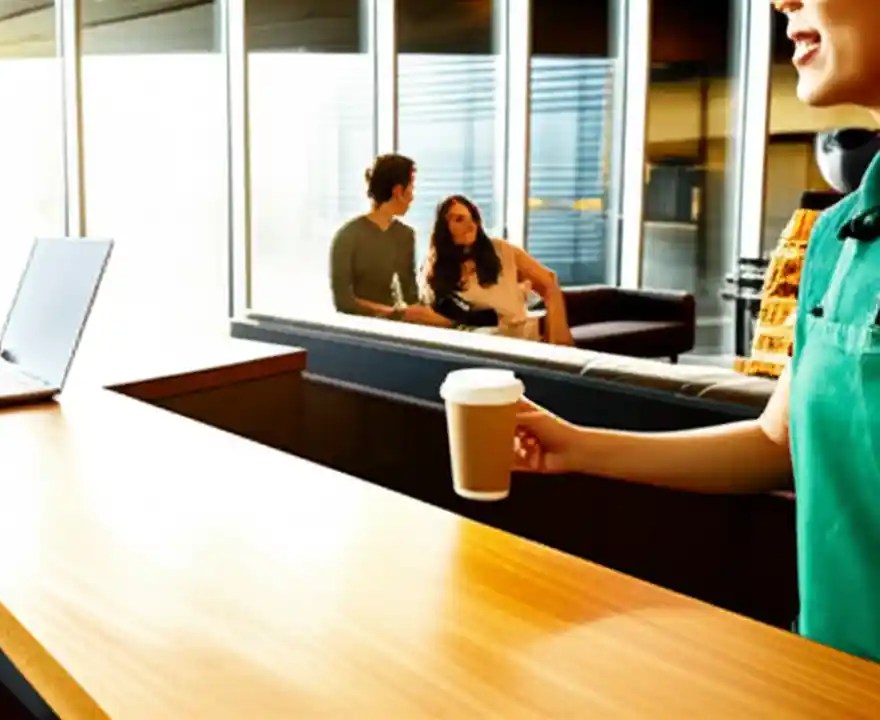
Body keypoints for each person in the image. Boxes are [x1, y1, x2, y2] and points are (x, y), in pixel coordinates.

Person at [516, 0, 880, 662]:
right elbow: (778, 439)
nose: (782, 1)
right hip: (826, 677)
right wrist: (579, 447)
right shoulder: (836, 236)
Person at [422, 195, 574, 344]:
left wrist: (556, 343)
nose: (471, 225)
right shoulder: (434, 267)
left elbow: (549, 282)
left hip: (520, 340)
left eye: (473, 218)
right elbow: (436, 315)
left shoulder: (500, 250)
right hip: (475, 345)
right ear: (444, 227)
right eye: (459, 219)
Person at [330, 154, 451, 327]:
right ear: (398, 191)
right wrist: (394, 313)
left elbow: (410, 295)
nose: (412, 197)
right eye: (411, 188)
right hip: (356, 332)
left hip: (395, 329)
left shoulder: (405, 235)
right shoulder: (347, 236)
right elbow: (343, 301)